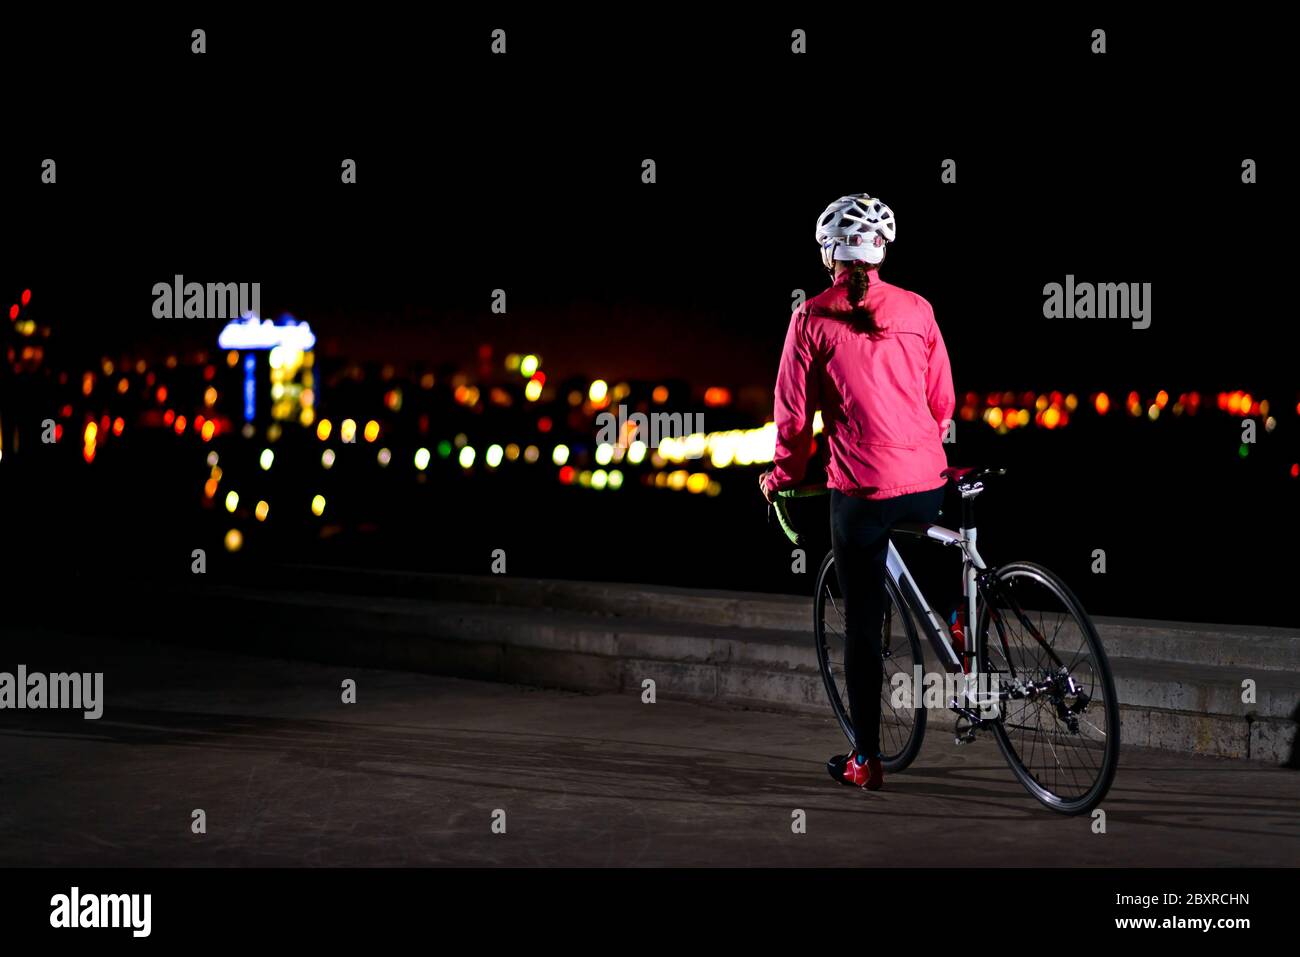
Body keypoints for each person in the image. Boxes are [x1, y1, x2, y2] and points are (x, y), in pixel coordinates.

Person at [759, 193, 955, 792]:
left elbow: (793, 421)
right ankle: (959, 622)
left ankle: (866, 760)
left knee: (863, 628)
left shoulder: (810, 318)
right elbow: (942, 403)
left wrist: (781, 480)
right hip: (928, 481)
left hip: (862, 492)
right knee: (935, 539)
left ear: (830, 254)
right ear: (881, 250)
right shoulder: (919, 309)